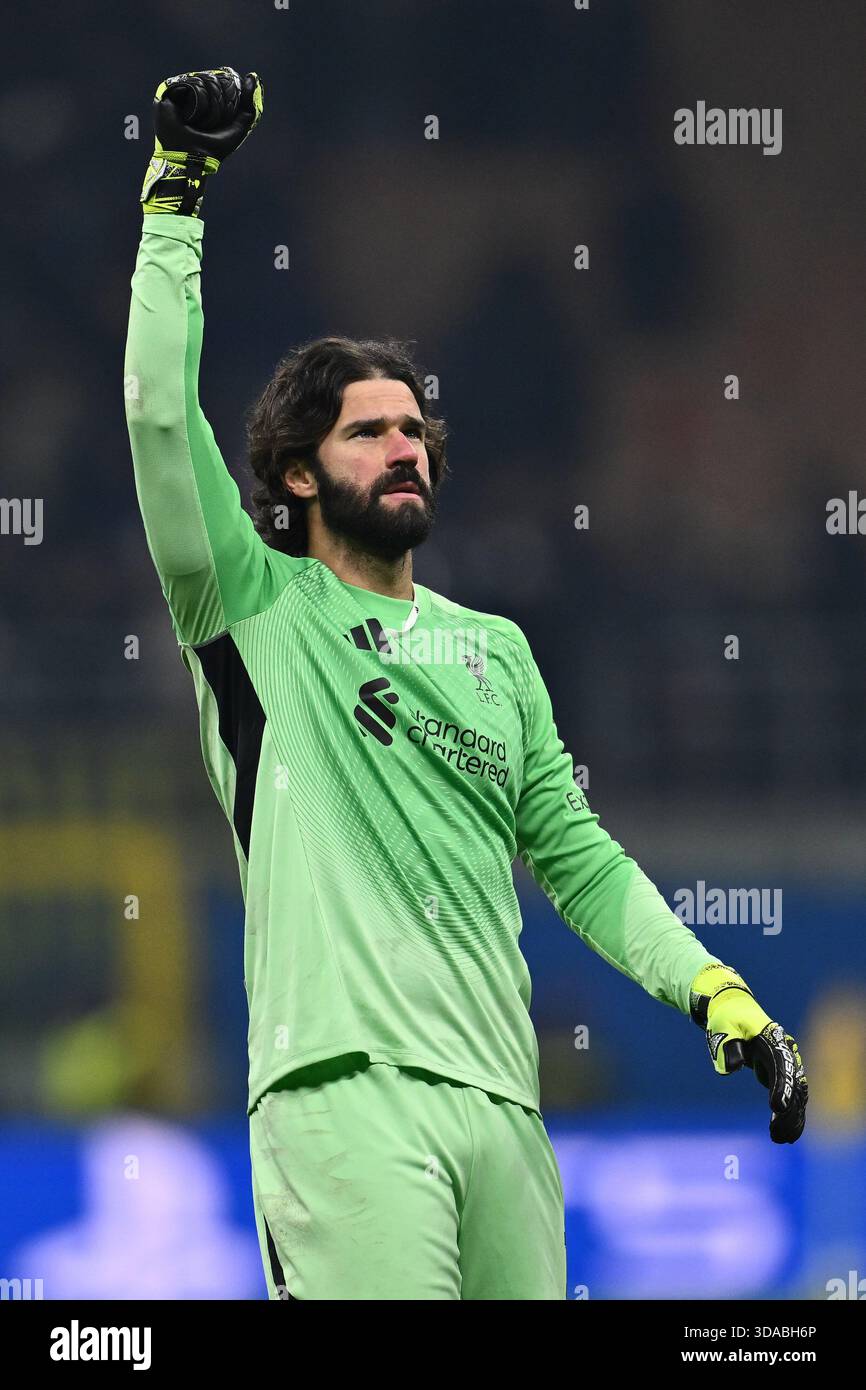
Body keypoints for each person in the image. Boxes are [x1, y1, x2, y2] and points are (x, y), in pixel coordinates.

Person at [124, 66, 808, 1301]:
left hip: (504, 1111)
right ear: (290, 477)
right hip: (342, 1096)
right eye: (366, 431)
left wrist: (716, 992)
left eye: (413, 430)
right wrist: (175, 203)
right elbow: (159, 424)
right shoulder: (254, 609)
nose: (403, 446)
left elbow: (580, 862)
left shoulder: (495, 652)